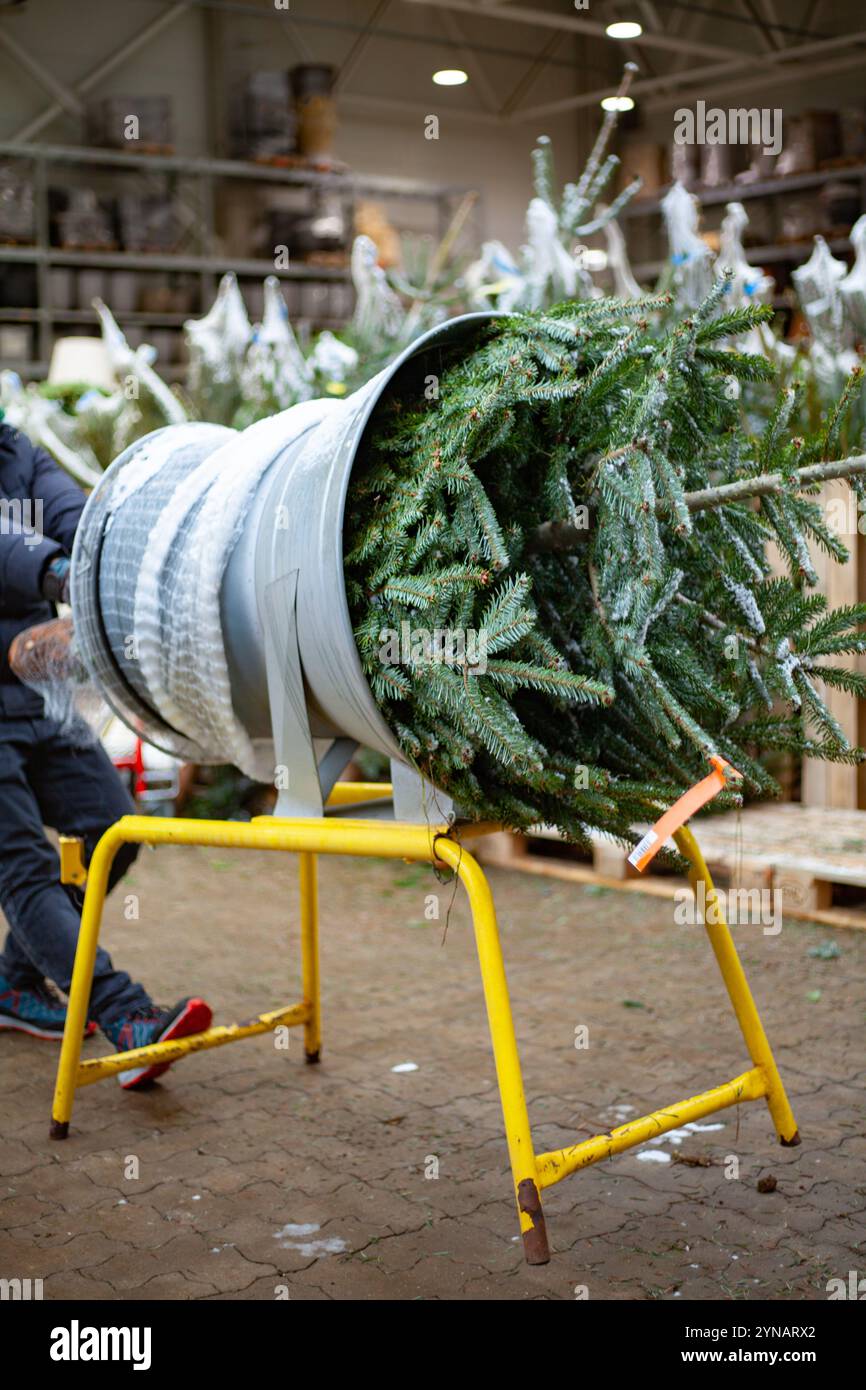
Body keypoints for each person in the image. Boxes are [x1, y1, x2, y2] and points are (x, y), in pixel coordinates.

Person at [0, 409, 211, 1088]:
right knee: (25, 868)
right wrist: (56, 571)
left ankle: (13, 978)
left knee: (113, 826)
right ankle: (125, 1017)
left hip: (36, 695)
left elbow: (79, 516)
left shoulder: (17, 451)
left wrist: (123, 553)